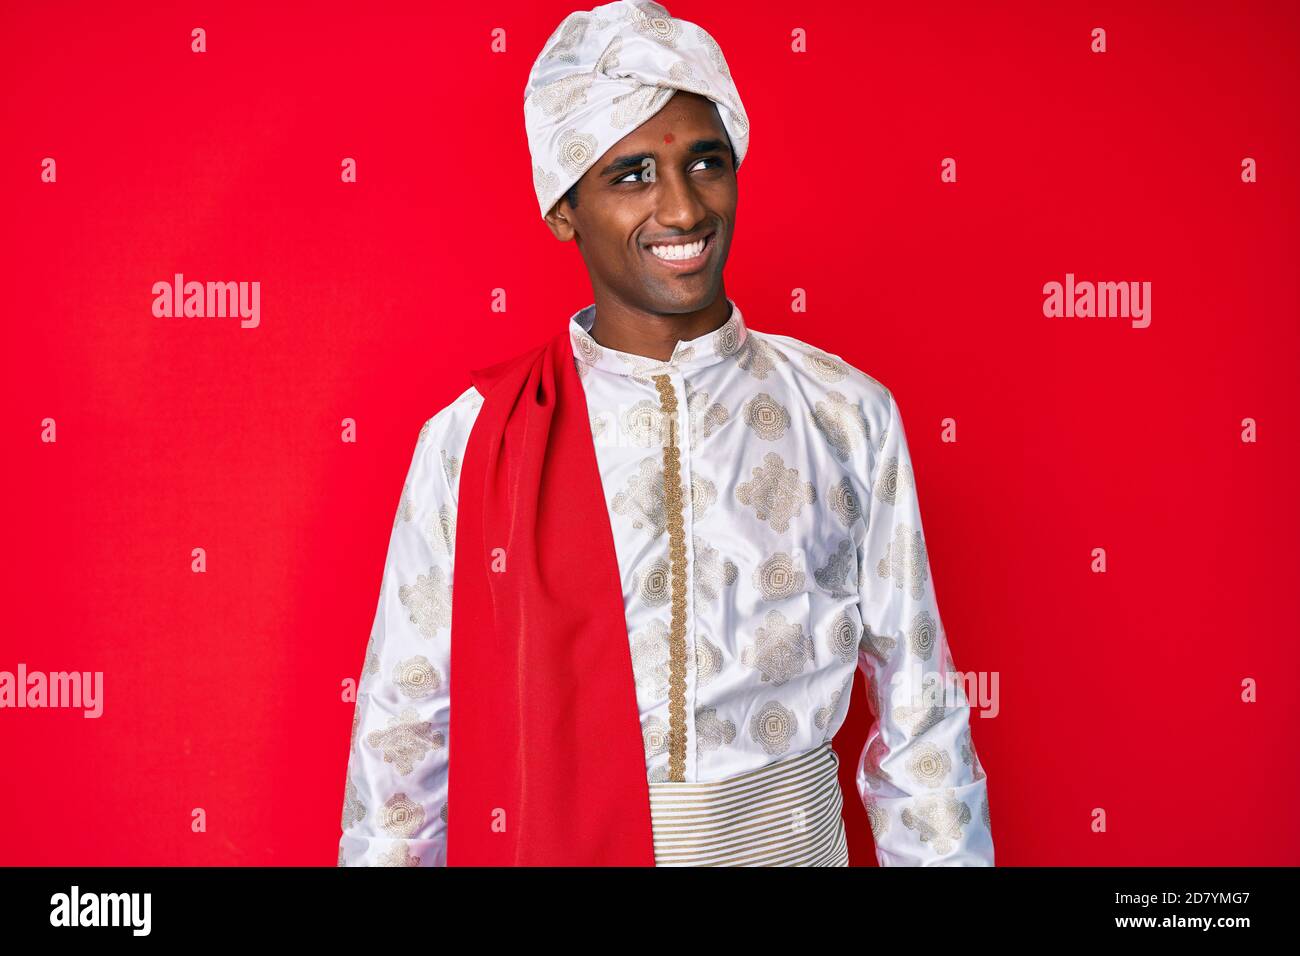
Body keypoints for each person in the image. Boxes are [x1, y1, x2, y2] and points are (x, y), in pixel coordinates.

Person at [337, 0, 994, 867]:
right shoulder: (474, 443)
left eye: (705, 163)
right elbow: (404, 741)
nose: (683, 209)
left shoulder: (844, 413)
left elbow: (920, 713)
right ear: (563, 208)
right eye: (633, 174)